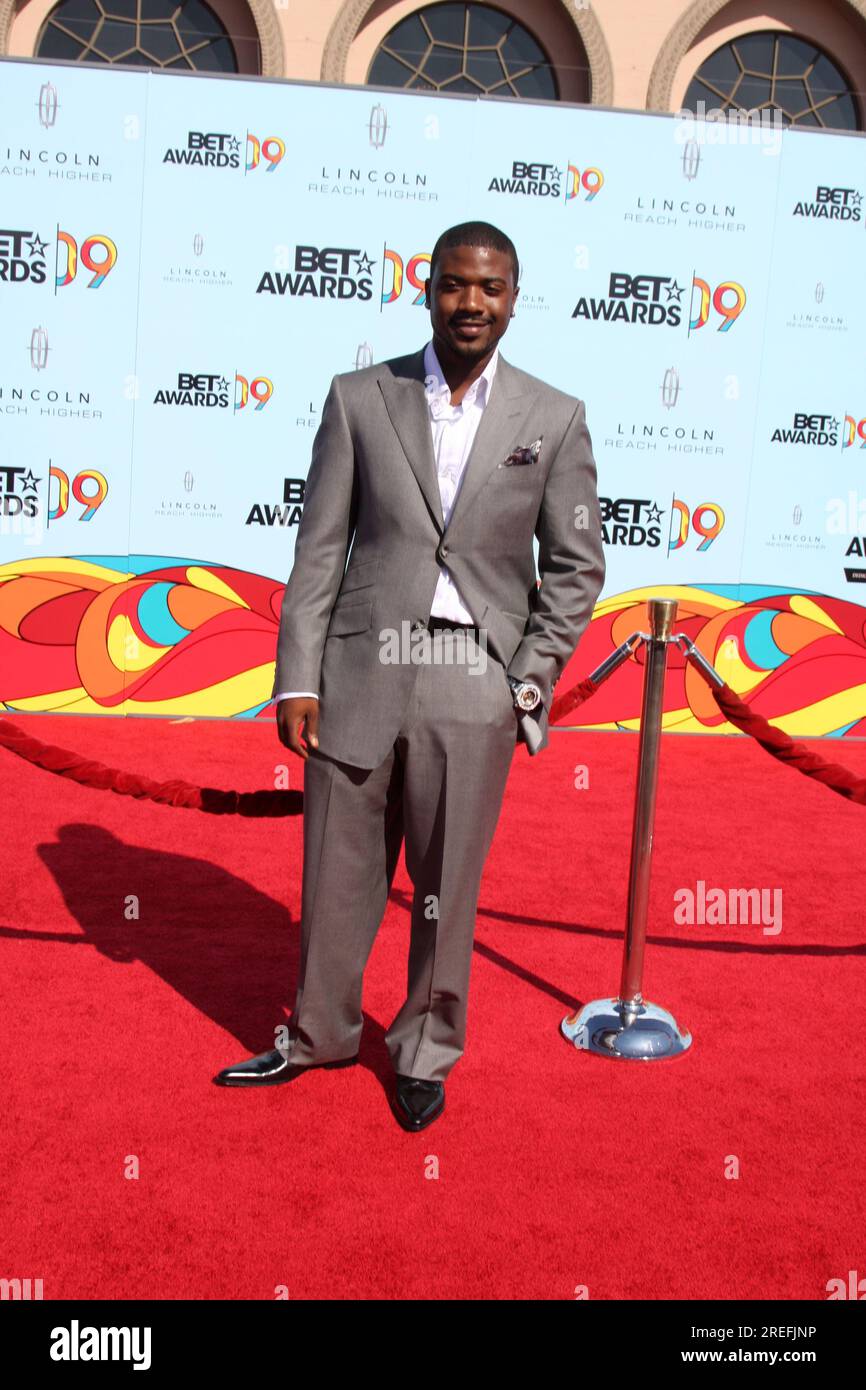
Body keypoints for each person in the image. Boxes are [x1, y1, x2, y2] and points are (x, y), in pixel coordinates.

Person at [214, 220, 605, 1131]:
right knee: (336, 869)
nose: (472, 303)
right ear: (425, 289)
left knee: (444, 883)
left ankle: (426, 1050)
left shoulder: (554, 418)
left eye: (491, 287)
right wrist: (295, 677)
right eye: (455, 284)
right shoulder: (360, 398)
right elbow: (320, 548)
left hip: (476, 677)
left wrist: (528, 681)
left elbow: (577, 566)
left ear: (515, 297)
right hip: (359, 667)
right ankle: (318, 1032)